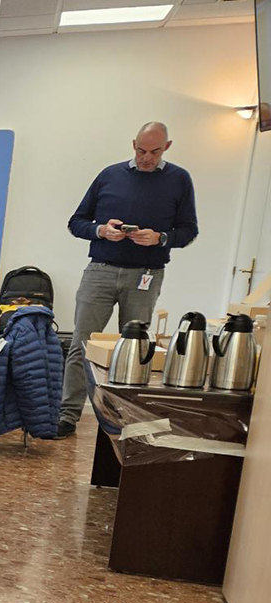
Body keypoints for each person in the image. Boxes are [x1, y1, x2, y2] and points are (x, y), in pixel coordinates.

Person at [58, 121, 198, 437]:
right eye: (140, 150)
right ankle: (67, 415)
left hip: (146, 275)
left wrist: (161, 238)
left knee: (135, 350)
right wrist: (101, 230)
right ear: (133, 143)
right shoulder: (109, 175)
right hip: (101, 270)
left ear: (168, 147)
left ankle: (126, 421)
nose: (146, 157)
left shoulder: (179, 179)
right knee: (82, 344)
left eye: (154, 151)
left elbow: (189, 231)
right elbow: (76, 222)